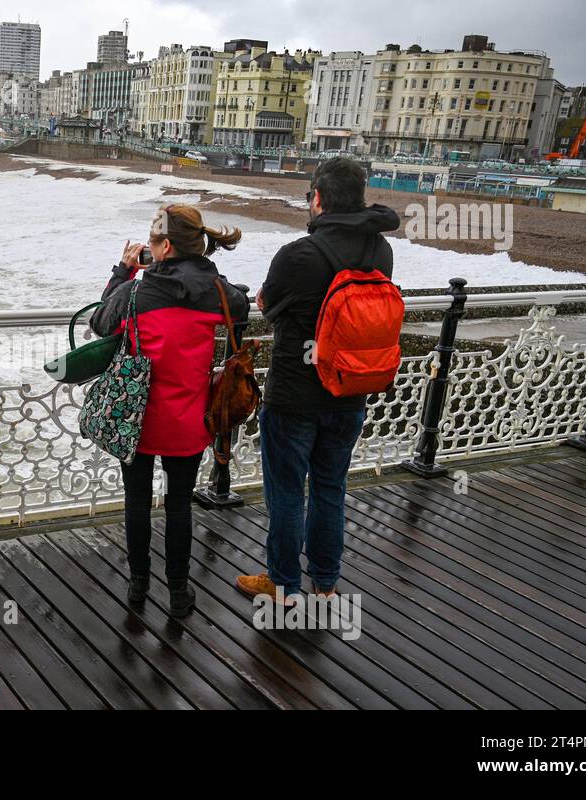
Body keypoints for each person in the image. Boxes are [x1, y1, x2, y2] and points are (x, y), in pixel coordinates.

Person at [237, 157, 400, 605]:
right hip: (351, 389)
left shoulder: (298, 254)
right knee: (331, 487)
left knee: (288, 493)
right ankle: (325, 584)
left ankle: (284, 585)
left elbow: (268, 305)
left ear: (318, 199)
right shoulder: (379, 252)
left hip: (294, 393)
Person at [89, 204, 249, 618]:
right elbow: (242, 307)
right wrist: (208, 271)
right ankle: (179, 592)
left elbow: (101, 323)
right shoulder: (216, 291)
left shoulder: (137, 291)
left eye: (153, 241)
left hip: (138, 419)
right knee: (179, 504)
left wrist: (123, 272)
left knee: (137, 501)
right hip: (190, 420)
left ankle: (138, 585)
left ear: (163, 247)